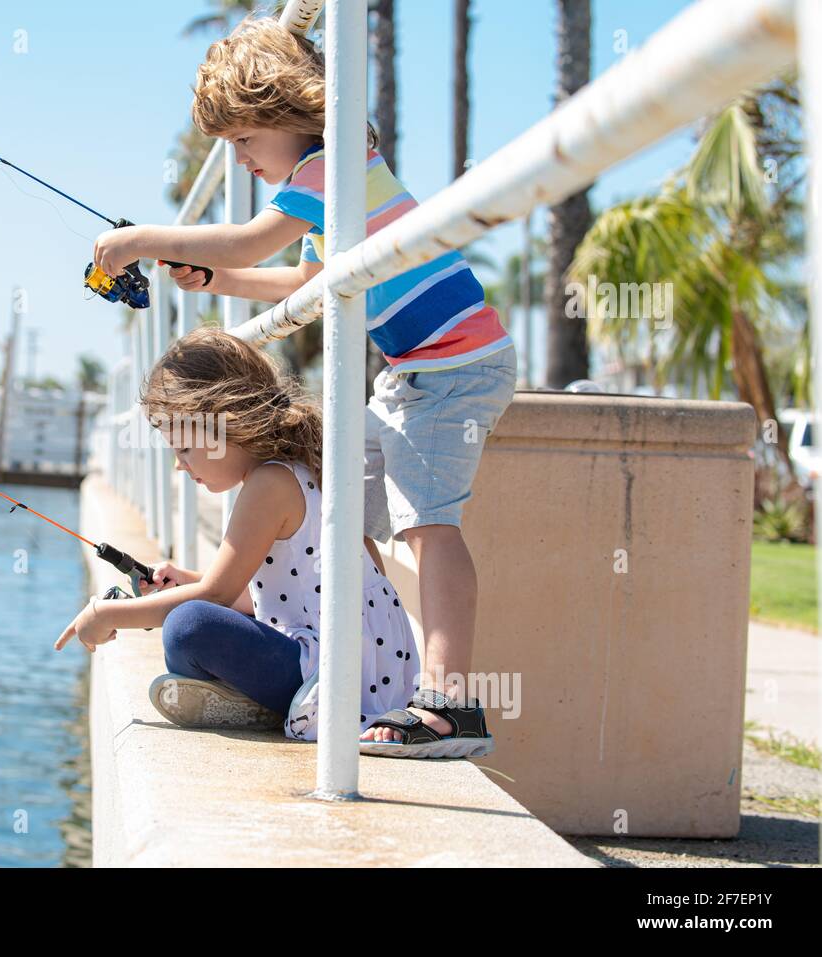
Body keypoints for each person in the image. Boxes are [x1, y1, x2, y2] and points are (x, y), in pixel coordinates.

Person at [88, 14, 512, 757]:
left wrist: (144, 239)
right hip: (414, 370)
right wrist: (215, 279)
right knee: (349, 507)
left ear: (287, 110)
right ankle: (326, 649)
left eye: (246, 141)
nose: (243, 159)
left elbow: (252, 238)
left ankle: (449, 705)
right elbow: (305, 281)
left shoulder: (332, 167)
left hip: (452, 366)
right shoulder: (329, 189)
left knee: (428, 523)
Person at [55, 327, 423, 747]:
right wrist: (188, 581)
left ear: (223, 425)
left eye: (185, 450)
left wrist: (105, 616)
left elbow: (216, 596)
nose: (180, 466)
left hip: (337, 678)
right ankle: (257, 698)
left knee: (188, 626)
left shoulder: (269, 484)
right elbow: (285, 594)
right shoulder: (299, 468)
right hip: (367, 667)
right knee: (192, 614)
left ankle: (261, 705)